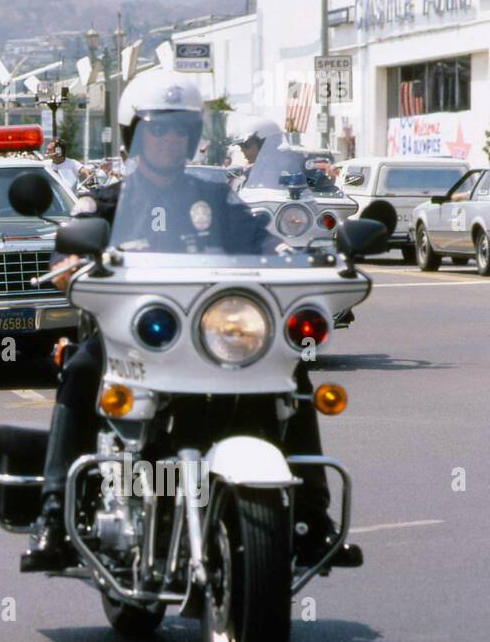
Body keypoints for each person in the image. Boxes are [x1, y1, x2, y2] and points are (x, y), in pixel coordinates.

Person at [20, 69, 360, 574]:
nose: (170, 139)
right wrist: (66, 265)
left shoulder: (216, 199)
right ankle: (54, 516)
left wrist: (297, 254)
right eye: (159, 128)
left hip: (211, 340)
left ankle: (313, 519)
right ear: (136, 134)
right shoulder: (105, 202)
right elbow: (65, 254)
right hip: (131, 343)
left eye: (181, 129)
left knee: (294, 373)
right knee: (80, 368)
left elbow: (261, 241)